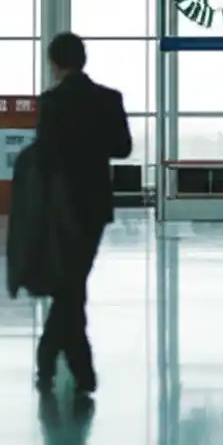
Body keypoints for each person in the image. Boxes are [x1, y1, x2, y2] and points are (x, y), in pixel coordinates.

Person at [33, 32, 132, 396]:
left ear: (55, 64)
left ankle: (56, 363)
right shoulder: (109, 99)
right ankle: (73, 367)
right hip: (94, 207)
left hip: (61, 207)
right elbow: (122, 148)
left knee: (69, 287)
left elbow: (44, 159)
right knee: (72, 286)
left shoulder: (52, 103)